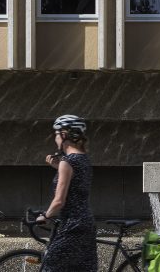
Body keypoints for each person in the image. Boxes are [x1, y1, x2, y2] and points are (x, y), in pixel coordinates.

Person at [39, 114, 97, 272]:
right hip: (86, 224)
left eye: (56, 135)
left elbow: (59, 201)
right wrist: (58, 167)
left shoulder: (67, 162)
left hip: (72, 226)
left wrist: (45, 216)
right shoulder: (83, 159)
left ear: (64, 135)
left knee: (49, 266)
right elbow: (76, 181)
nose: (55, 139)